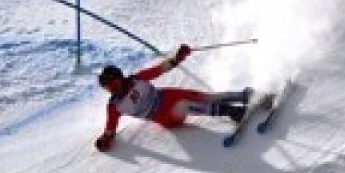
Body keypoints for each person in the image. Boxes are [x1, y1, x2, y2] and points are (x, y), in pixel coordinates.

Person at [94, 44, 251, 152]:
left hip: (167, 95)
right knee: (184, 105)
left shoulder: (137, 79)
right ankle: (230, 111)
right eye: (108, 88)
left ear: (120, 78)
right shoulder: (114, 106)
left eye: (113, 84)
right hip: (164, 117)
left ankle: (243, 96)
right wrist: (105, 140)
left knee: (204, 97)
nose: (112, 89)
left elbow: (159, 69)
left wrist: (178, 57)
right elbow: (110, 130)